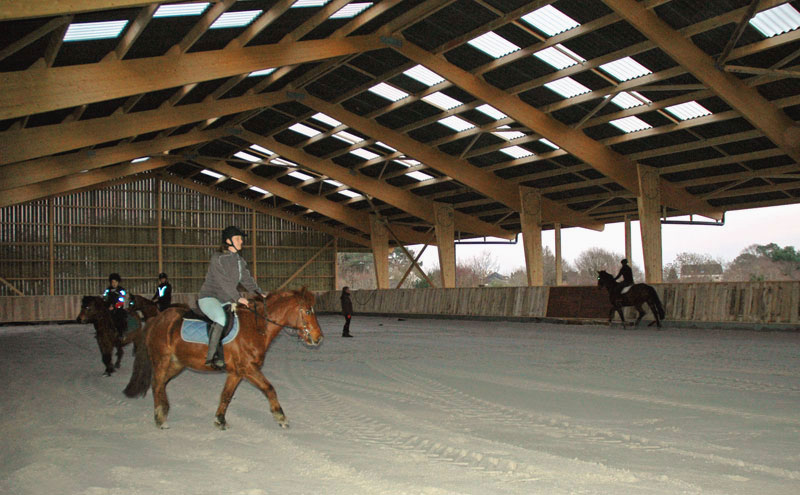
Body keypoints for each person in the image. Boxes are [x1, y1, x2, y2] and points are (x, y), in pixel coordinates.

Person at [197, 226, 265, 370]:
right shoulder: (218, 258)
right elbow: (224, 282)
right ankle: (212, 356)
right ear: (228, 241)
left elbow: (246, 279)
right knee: (221, 319)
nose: (241, 241)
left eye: (241, 238)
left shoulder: (239, 260)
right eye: (238, 238)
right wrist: (238, 297)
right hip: (210, 297)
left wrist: (259, 292)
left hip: (226, 299)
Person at [103, 273, 129, 339]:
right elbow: (105, 298)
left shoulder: (121, 290)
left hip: (118, 308)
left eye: (115, 282)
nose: (114, 284)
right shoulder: (108, 290)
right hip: (109, 308)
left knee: (120, 318)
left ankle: (121, 333)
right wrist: (107, 306)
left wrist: (114, 307)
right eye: (112, 282)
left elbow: (121, 300)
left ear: (118, 282)